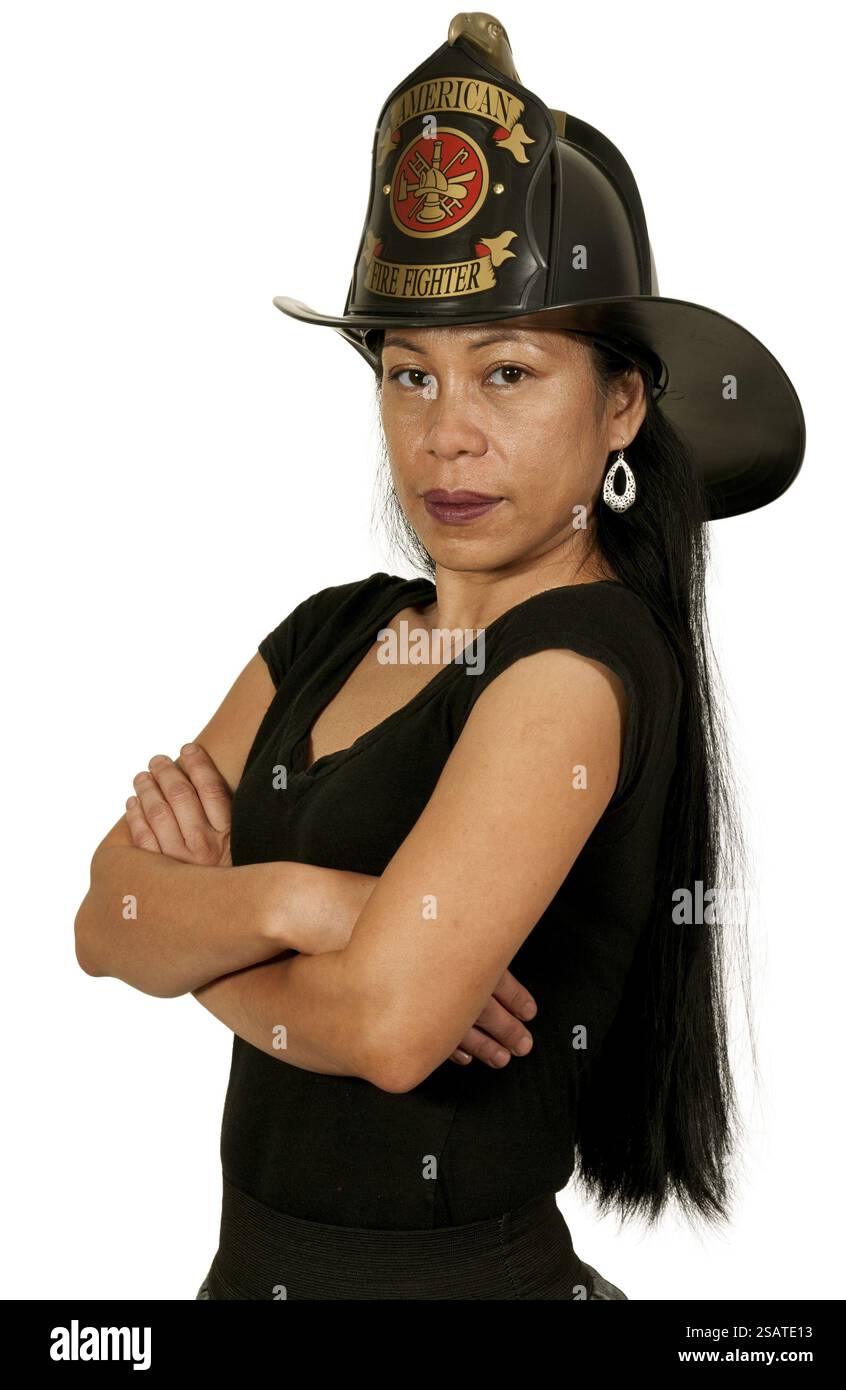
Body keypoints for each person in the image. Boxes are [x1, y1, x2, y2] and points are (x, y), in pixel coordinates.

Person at [73, 13, 805, 1301]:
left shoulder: (582, 665)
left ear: (621, 402)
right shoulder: (327, 631)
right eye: (408, 377)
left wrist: (222, 927)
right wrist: (318, 909)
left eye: (507, 373)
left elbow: (394, 1029)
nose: (446, 437)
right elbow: (104, 918)